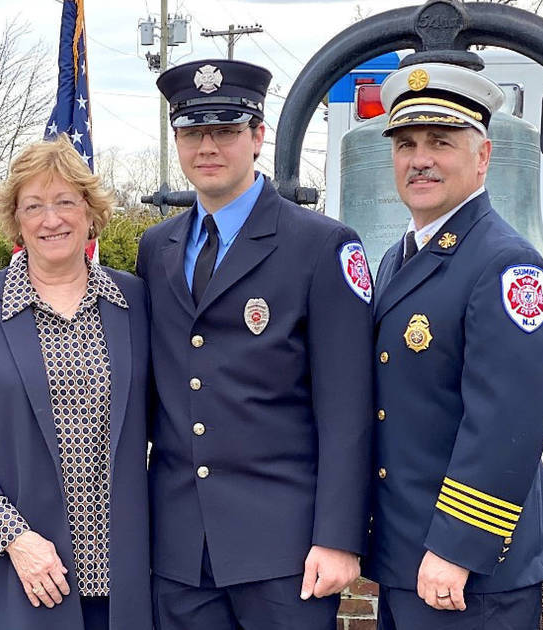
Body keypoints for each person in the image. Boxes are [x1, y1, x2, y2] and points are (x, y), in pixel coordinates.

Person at [135, 59, 375, 630]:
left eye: (225, 130)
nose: (207, 146)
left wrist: (338, 538)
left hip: (283, 550)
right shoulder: (156, 247)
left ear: (258, 136)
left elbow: (348, 408)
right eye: (193, 132)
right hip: (180, 549)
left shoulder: (321, 245)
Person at [365, 60, 543, 629]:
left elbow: (508, 421)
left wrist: (457, 548)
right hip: (410, 558)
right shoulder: (398, 257)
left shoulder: (505, 265)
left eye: (441, 141)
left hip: (470, 575)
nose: (419, 158)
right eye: (405, 144)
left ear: (483, 157)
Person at [0, 135, 153, 630]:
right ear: (16, 220)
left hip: (129, 583)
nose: (51, 220)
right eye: (34, 206)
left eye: (65, 202)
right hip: (23, 578)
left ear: (91, 212)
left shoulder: (135, 302)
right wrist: (16, 541)